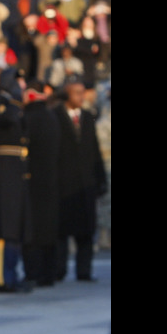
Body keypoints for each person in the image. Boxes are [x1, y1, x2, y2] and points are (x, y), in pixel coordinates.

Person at [0, 71, 34, 293]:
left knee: (15, 226)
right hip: (5, 171)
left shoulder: (14, 105)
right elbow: (3, 120)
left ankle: (12, 274)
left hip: (17, 170)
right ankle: (3, 278)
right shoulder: (1, 104)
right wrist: (11, 103)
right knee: (5, 226)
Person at [53, 77, 107, 282]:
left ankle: (84, 270)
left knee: (86, 231)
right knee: (61, 230)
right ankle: (59, 269)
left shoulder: (87, 116)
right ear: (67, 94)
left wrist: (100, 178)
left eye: (83, 92)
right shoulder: (56, 115)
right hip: (63, 183)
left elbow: (94, 149)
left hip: (86, 183)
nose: (82, 97)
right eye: (77, 93)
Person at [19, 85, 62, 287]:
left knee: (32, 229)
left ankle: (33, 273)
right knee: (49, 229)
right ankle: (49, 273)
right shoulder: (52, 117)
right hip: (51, 181)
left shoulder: (28, 119)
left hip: (31, 181)